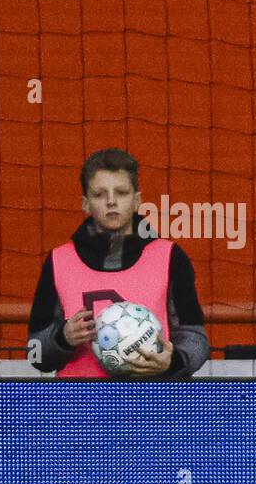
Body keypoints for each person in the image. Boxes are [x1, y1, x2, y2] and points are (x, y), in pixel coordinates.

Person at [27, 149, 209, 379]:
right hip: (78, 407)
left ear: (137, 200)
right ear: (85, 203)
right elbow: (35, 353)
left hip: (152, 406)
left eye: (121, 193)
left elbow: (197, 340)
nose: (111, 201)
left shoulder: (170, 257)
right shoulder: (58, 260)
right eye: (100, 194)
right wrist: (63, 339)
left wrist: (173, 362)